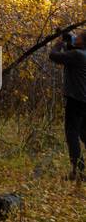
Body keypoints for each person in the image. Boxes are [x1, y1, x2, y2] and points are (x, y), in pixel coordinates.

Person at [48, 28, 86, 179]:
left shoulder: (77, 55)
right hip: (84, 101)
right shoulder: (81, 54)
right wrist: (67, 38)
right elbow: (72, 50)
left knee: (72, 134)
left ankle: (79, 171)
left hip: (76, 100)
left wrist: (60, 42)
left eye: (78, 38)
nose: (75, 38)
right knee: (84, 133)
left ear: (82, 42)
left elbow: (53, 56)